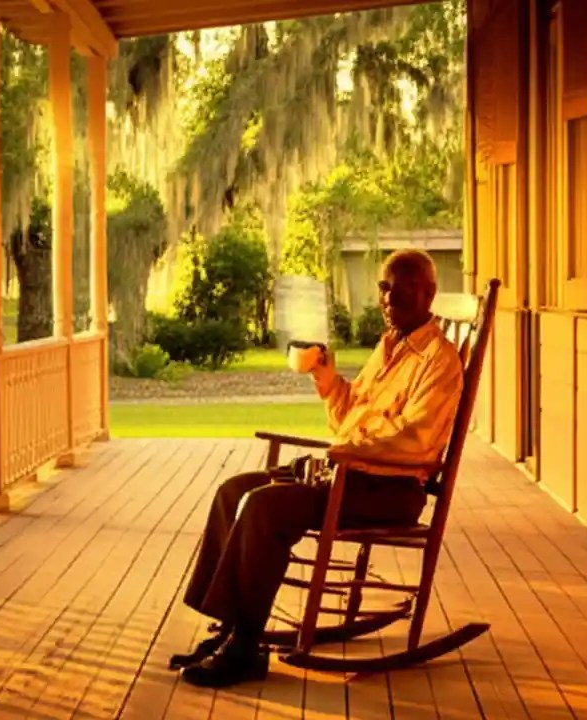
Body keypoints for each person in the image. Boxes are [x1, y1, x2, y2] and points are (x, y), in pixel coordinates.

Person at [171, 248, 464, 688]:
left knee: (264, 507)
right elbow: (350, 415)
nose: (387, 297)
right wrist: (327, 378)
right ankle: (231, 627)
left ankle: (246, 647)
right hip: (352, 474)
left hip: (391, 489)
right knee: (234, 490)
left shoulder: (438, 361)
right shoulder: (390, 348)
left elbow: (415, 437)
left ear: (428, 293)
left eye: (399, 288)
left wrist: (341, 454)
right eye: (383, 287)